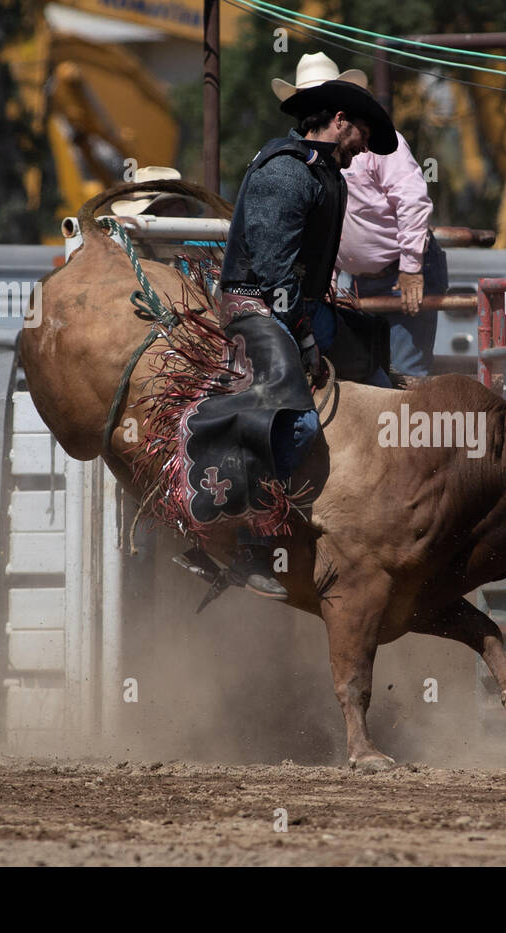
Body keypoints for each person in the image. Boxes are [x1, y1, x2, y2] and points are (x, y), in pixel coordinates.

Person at [176, 78, 396, 600]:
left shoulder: (318, 172)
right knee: (292, 423)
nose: (365, 145)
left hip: (301, 306)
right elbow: (275, 274)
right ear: (339, 120)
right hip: (260, 306)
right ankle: (251, 544)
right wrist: (302, 338)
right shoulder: (287, 172)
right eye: (362, 131)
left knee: (385, 387)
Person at [274, 53, 447, 378]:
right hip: (364, 279)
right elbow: (328, 225)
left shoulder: (376, 146)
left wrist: (411, 267)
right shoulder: (310, 160)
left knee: (401, 374)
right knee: (368, 372)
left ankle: (404, 425)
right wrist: (328, 276)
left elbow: (411, 199)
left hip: (401, 270)